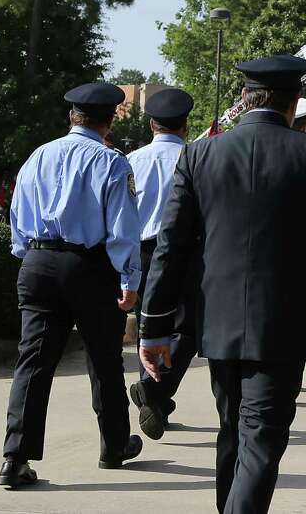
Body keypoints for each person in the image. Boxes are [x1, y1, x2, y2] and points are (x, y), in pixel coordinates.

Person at [139, 55, 306, 514]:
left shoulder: (200, 154)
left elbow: (171, 247)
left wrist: (154, 326)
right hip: (280, 324)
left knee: (233, 431)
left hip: (219, 320)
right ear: (294, 104)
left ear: (245, 99)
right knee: (261, 438)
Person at [0, 82, 144, 489]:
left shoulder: (38, 156)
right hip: (89, 266)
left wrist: (29, 257)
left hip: (38, 260)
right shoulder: (112, 162)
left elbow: (17, 213)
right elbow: (122, 229)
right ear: (109, 120)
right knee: (104, 360)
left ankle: (15, 457)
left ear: (71, 117)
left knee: (34, 361)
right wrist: (130, 279)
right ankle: (114, 445)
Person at [127, 87, 196, 441]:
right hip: (184, 251)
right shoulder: (196, 157)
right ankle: (154, 392)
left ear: (152, 124)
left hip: (140, 250)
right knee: (187, 327)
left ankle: (151, 393)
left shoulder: (132, 160)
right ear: (185, 125)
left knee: (148, 325)